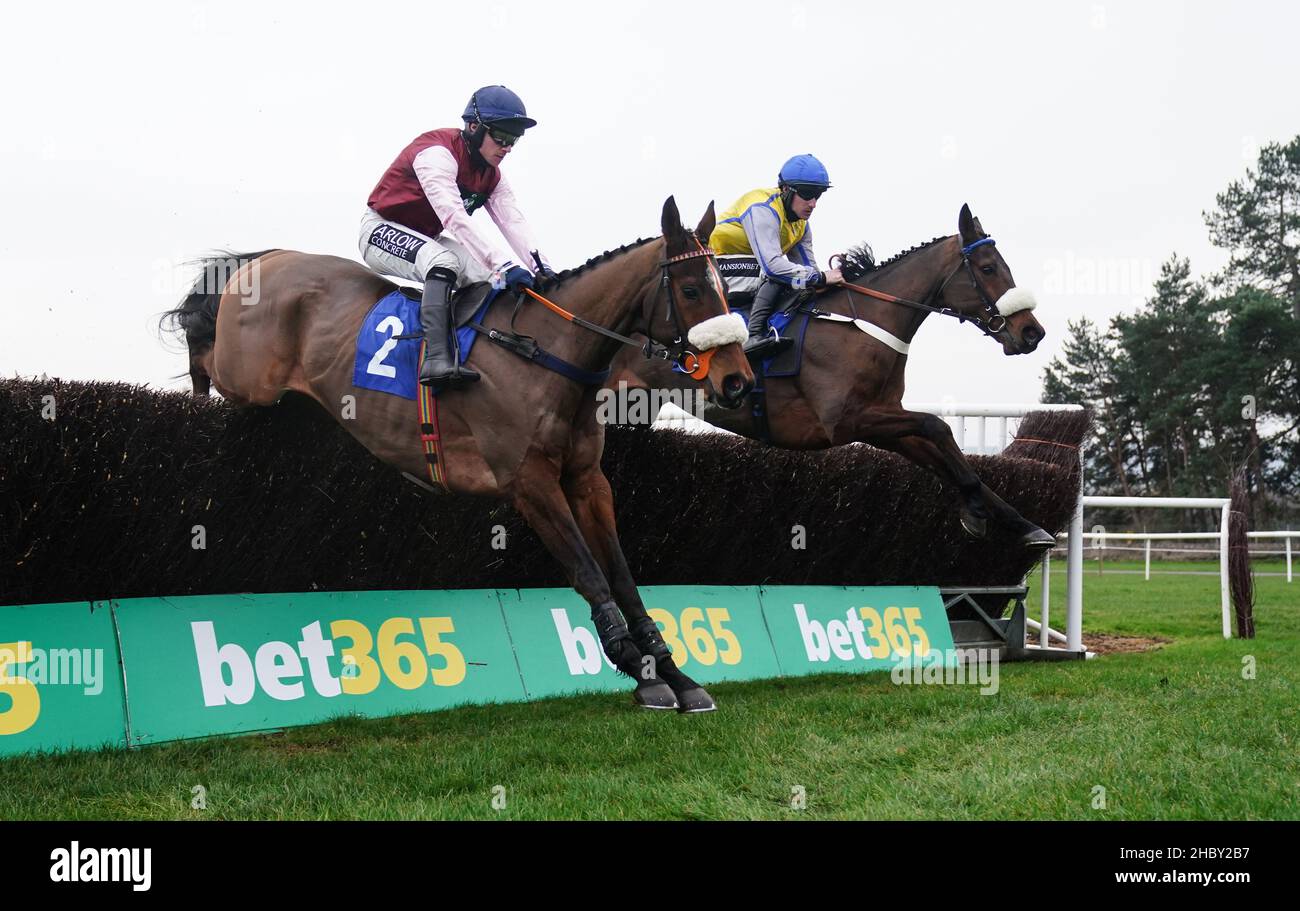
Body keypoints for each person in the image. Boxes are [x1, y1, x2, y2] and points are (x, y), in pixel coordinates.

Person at [359, 85, 553, 388]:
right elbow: (454, 217)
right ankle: (436, 359)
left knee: (488, 277)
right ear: (473, 127)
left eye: (513, 140)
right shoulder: (436, 154)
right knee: (445, 262)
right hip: (380, 230)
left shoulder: (493, 175)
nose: (507, 147)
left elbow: (512, 221)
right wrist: (505, 265)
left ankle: (475, 352)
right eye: (501, 137)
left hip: (426, 236)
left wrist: (542, 268)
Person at [709, 154, 844, 361]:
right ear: (786, 189)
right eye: (807, 194)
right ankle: (753, 336)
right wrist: (821, 277)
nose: (813, 203)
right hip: (718, 270)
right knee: (779, 272)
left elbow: (808, 270)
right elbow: (772, 266)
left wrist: (830, 280)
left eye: (818, 194)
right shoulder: (762, 207)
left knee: (801, 282)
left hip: (753, 272)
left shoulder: (801, 225)